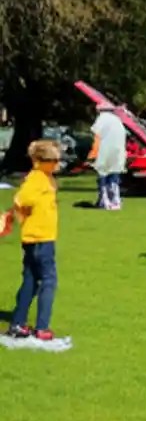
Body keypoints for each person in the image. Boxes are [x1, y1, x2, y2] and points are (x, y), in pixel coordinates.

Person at [4, 141, 62, 343]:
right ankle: (42, 327)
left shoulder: (45, 178)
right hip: (40, 239)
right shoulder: (36, 180)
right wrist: (16, 216)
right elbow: (21, 200)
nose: (56, 164)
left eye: (57, 160)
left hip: (38, 238)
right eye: (51, 160)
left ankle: (17, 324)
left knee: (30, 279)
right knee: (48, 281)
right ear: (38, 161)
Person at [90, 102, 128, 211]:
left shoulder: (101, 119)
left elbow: (96, 136)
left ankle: (105, 201)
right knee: (114, 178)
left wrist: (93, 153)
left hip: (105, 151)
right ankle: (116, 201)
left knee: (102, 178)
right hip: (119, 152)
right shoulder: (117, 120)